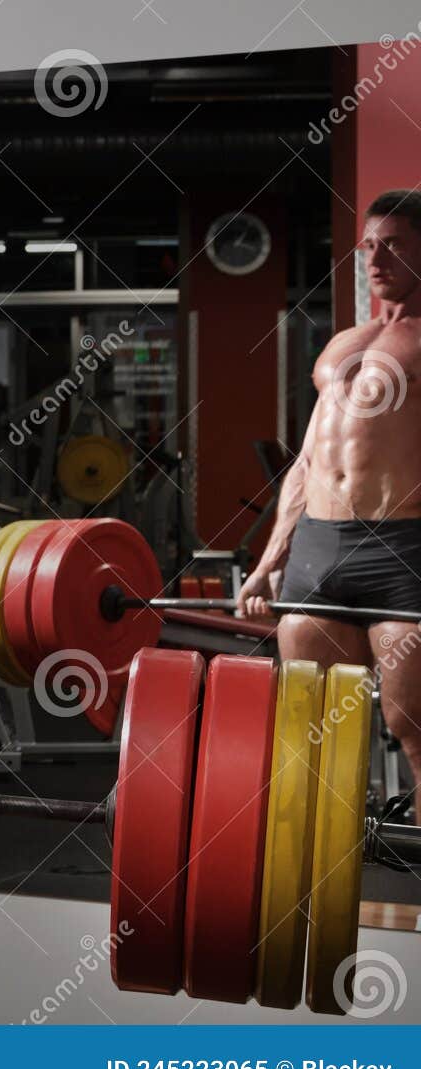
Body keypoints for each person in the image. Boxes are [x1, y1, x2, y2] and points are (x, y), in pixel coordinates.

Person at [239, 189, 421, 810]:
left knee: (413, 730)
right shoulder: (346, 341)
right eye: (369, 244)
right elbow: (309, 460)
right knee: (313, 734)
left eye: (393, 243)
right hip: (320, 548)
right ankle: (319, 897)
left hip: (403, 548)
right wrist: (269, 560)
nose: (375, 258)